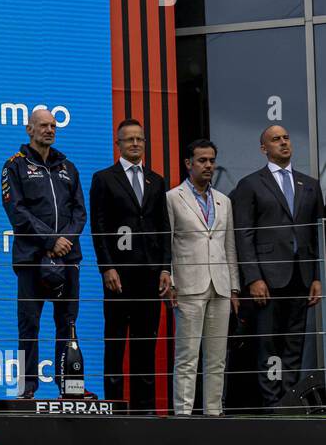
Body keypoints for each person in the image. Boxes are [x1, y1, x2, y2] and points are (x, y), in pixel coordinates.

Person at [230, 125, 325, 407]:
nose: (283, 143)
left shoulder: (309, 184)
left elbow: (314, 233)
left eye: (286, 138)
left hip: (301, 276)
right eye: (276, 139)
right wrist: (253, 278)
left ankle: (290, 401)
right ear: (264, 149)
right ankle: (270, 403)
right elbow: (243, 235)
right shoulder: (250, 184)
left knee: (294, 343)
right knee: (268, 343)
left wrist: (317, 277)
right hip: (267, 280)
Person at [89, 118, 173, 415]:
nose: (135, 143)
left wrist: (166, 268)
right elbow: (98, 227)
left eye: (139, 139)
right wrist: (106, 268)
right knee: (115, 342)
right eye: (129, 139)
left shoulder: (156, 180)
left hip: (149, 274)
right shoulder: (104, 178)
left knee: (145, 344)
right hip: (119, 276)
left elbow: (163, 227)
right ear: (118, 144)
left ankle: (145, 409)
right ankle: (113, 405)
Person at [2, 109, 87, 399]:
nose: (49, 130)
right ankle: (27, 386)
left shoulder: (68, 167)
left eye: (53, 125)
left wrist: (65, 241)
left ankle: (69, 384)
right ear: (29, 129)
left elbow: (79, 212)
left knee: (68, 323)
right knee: (29, 324)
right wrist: (50, 240)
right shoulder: (15, 166)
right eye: (43, 126)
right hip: (31, 258)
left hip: (68, 258)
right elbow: (16, 211)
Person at [166, 139, 239, 416]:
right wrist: (171, 281)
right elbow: (169, 244)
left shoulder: (224, 201)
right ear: (188, 163)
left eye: (211, 160)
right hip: (188, 284)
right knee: (187, 357)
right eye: (202, 160)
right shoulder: (173, 197)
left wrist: (234, 288)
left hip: (219, 285)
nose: (208, 165)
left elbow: (228, 246)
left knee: (216, 358)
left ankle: (213, 414)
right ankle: (183, 416)